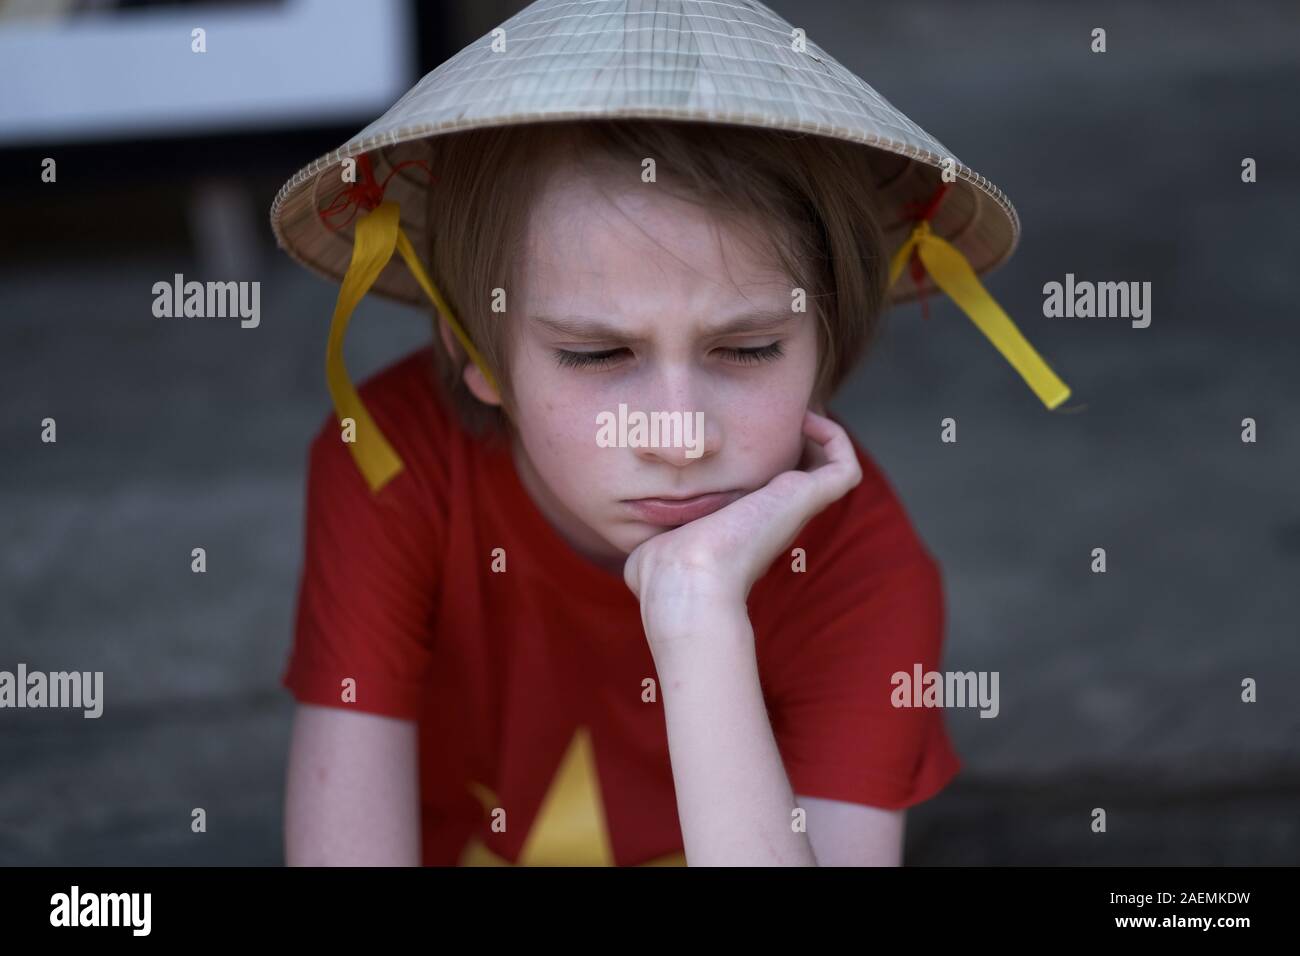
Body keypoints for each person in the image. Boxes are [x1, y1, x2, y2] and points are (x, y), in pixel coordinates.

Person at [271, 0, 1065, 867]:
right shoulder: (394, 462)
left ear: (821, 340)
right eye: (599, 353)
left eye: (749, 347)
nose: (680, 436)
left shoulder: (861, 570)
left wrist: (697, 617)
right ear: (477, 348)